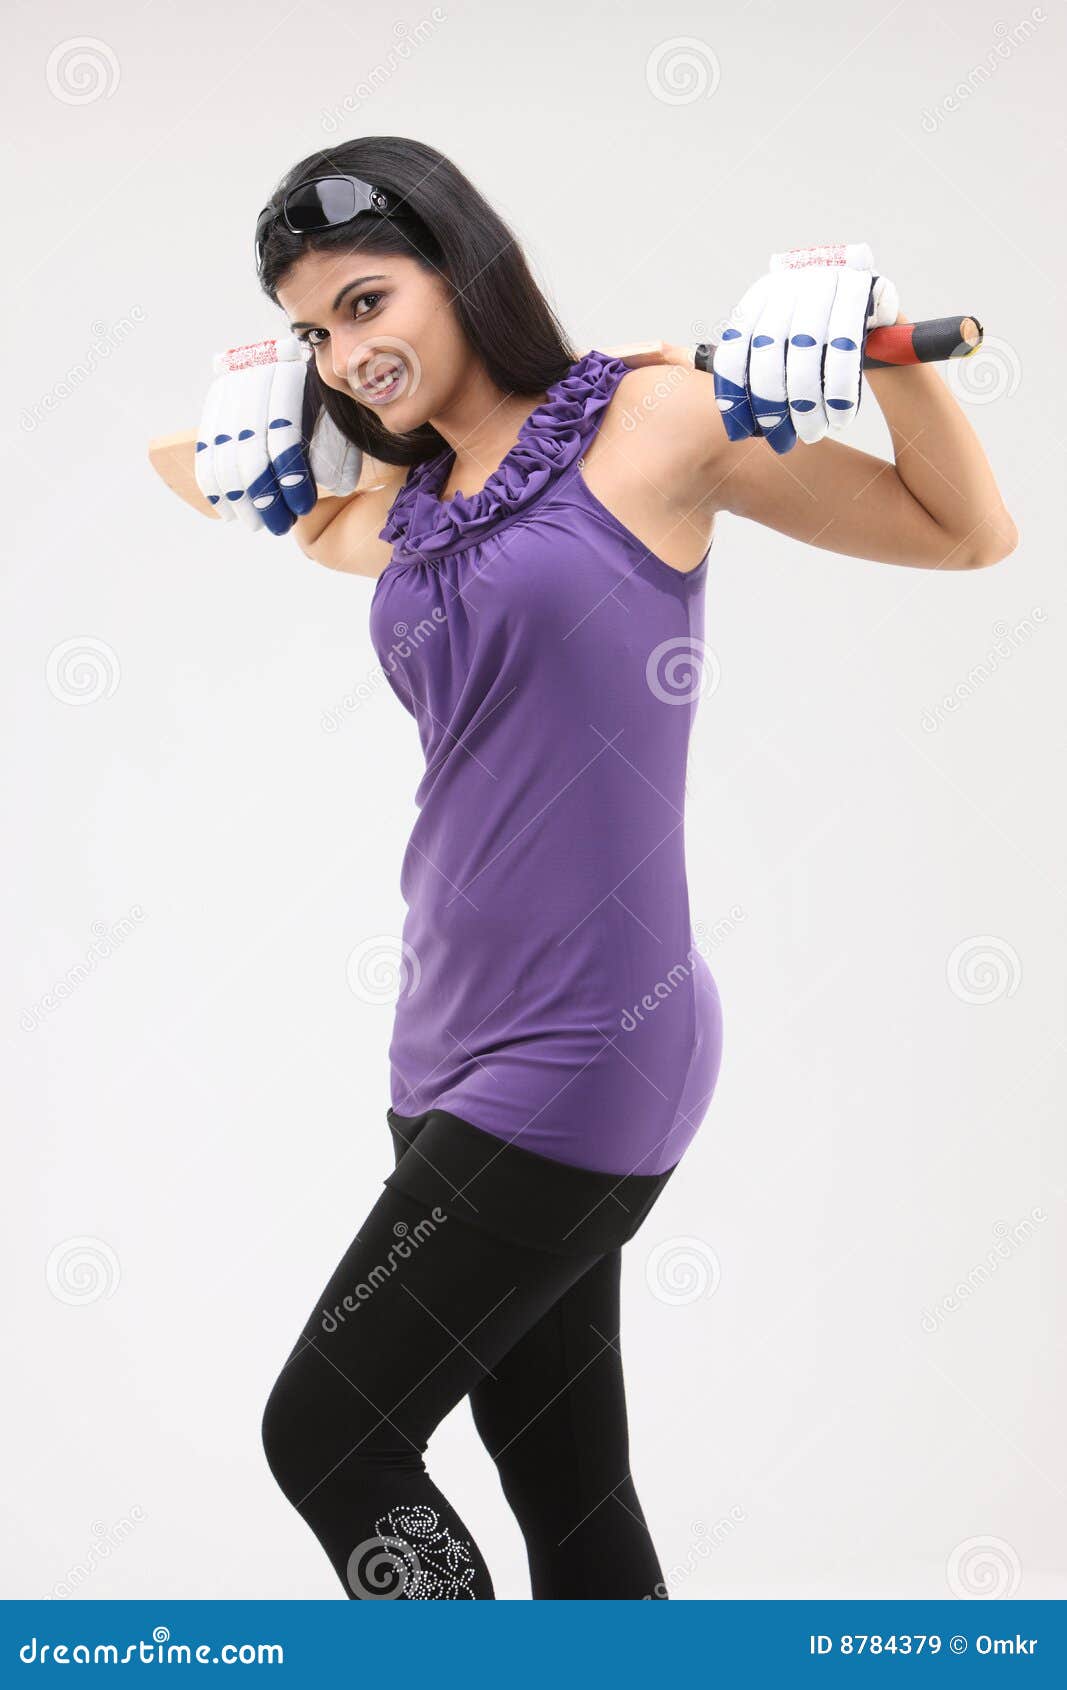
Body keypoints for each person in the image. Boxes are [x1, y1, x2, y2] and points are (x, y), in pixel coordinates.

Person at [196, 136, 1017, 1599]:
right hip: (439, 1046)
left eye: (368, 303)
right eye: (316, 331)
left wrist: (886, 342)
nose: (346, 354)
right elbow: (256, 500)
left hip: (589, 1044)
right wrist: (263, 405)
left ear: (462, 265)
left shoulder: (653, 421)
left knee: (330, 1436)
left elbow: (968, 534)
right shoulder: (405, 506)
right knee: (567, 1484)